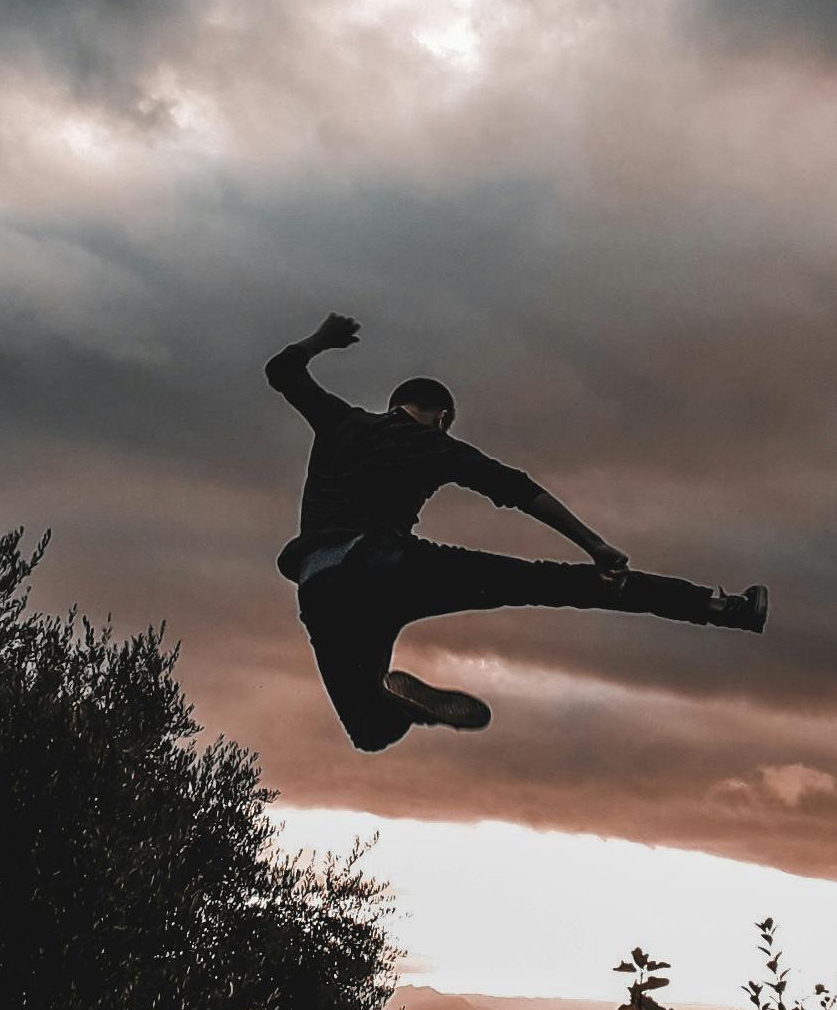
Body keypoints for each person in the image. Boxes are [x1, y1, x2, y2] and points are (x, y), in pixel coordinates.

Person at [266, 311, 768, 751]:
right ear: (443, 418)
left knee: (369, 732)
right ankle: (721, 608)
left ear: (395, 404)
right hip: (389, 565)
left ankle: (399, 703)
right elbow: (518, 490)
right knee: (550, 583)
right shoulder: (439, 447)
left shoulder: (341, 422)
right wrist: (594, 544)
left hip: (321, 587)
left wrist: (321, 339)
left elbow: (282, 371)